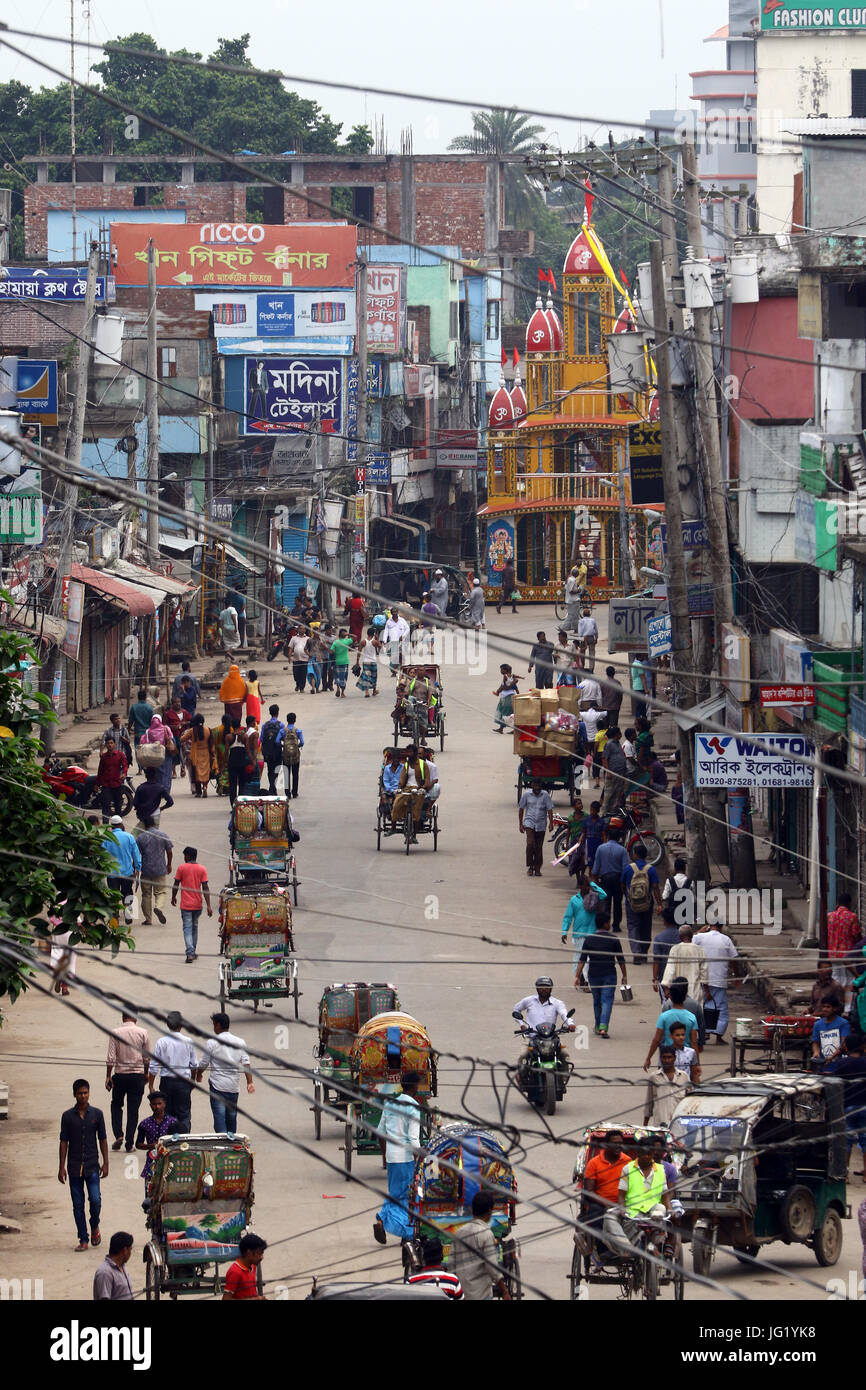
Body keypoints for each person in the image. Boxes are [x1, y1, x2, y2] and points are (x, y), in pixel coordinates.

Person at [58, 1078, 109, 1252]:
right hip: (73, 1168)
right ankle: (83, 1239)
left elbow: (102, 1138)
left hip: (92, 1165)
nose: (83, 1096)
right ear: (74, 1095)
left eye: (85, 1092)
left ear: (89, 1093)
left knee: (95, 1200)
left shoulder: (97, 1114)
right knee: (78, 1205)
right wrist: (61, 1167)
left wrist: (106, 1162)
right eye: (80, 1093)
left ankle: (94, 1225)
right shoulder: (67, 1116)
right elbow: (63, 1142)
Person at [373, 1073, 423, 1244]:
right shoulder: (414, 1107)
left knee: (396, 1193)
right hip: (405, 1158)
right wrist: (420, 1159)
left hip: (392, 1157)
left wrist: (385, 1156)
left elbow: (380, 1132)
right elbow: (413, 1139)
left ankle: (382, 1219)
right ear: (415, 1086)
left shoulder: (390, 1103)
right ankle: (406, 1233)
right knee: (406, 1196)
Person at [603, 1143, 670, 1258]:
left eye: (649, 1154)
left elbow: (665, 1195)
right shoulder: (627, 1168)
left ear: (653, 1154)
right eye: (644, 1154)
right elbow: (621, 1195)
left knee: (661, 1209)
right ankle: (625, 1247)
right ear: (638, 1154)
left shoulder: (660, 1170)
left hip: (653, 1209)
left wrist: (670, 1209)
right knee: (608, 1217)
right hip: (632, 1209)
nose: (647, 1157)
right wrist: (622, 1208)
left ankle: (655, 1243)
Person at [196, 1012, 254, 1133]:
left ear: (218, 1025)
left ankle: (222, 1144)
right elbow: (246, 1063)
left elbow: (203, 1063)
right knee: (231, 1117)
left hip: (217, 1086)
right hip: (233, 1087)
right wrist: (250, 1082)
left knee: (219, 1118)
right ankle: (232, 1144)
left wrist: (199, 1073)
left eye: (214, 1025)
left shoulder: (212, 1042)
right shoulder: (240, 1042)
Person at [449, 1191, 511, 1300]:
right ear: (489, 1211)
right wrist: (505, 1291)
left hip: (461, 1295)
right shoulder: (486, 1234)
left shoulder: (459, 1232)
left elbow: (451, 1264)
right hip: (481, 1295)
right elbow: (492, 1267)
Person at [575, 913, 628, 1037]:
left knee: (597, 1000)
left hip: (593, 975)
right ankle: (603, 1027)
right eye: (608, 922)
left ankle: (598, 1026)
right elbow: (621, 959)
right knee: (607, 1001)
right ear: (605, 924)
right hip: (609, 974)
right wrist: (624, 975)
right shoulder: (613, 939)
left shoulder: (589, 939)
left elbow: (582, 959)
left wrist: (577, 976)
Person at [105, 1010, 150, 1153]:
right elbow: (147, 1058)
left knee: (116, 1105)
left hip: (120, 1075)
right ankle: (129, 1143)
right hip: (137, 1077)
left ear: (123, 1017)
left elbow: (111, 1057)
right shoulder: (143, 1032)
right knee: (133, 1110)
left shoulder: (115, 1032)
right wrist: (146, 1073)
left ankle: (119, 1134)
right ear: (135, 1017)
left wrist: (108, 1076)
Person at [583, 1130, 630, 1266]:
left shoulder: (627, 1161)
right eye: (615, 1143)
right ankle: (604, 1251)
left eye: (620, 1144)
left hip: (623, 1202)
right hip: (601, 1203)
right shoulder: (594, 1163)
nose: (618, 1146)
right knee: (595, 1214)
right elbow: (589, 1191)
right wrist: (607, 1204)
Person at [148, 1012, 199, 1133]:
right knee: (184, 1114)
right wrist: (192, 1081)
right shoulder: (188, 1041)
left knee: (167, 1113)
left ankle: (170, 1142)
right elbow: (194, 1065)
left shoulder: (162, 1042)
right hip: (183, 1083)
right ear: (181, 1025)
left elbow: (154, 1065)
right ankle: (184, 1140)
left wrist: (151, 1084)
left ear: (167, 1024)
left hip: (167, 1082)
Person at [826, 1035, 866, 1179]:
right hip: (864, 1106)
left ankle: (845, 1174)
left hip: (847, 1105)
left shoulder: (841, 1063)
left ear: (846, 1048)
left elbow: (834, 1082)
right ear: (862, 1047)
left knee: (846, 1141)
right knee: (865, 1140)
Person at [697, 923, 739, 1044]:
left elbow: (687, 939)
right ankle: (718, 1036)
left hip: (702, 978)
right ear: (721, 927)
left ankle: (705, 1032)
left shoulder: (700, 937)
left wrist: (700, 930)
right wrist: (737, 976)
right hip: (719, 979)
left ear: (710, 925)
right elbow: (734, 959)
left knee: (703, 1006)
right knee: (720, 1009)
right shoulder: (726, 939)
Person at [644, 981, 701, 1070]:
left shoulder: (664, 1017)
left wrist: (648, 1058)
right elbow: (694, 1043)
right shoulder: (692, 1017)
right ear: (685, 997)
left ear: (671, 997)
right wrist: (697, 1064)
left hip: (667, 1056)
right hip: (686, 1058)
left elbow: (657, 1040)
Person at [622, 843, 661, 965]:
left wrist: (627, 896)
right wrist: (659, 903)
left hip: (632, 903)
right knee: (645, 927)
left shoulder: (628, 868)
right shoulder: (651, 869)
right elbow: (655, 888)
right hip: (647, 904)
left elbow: (622, 885)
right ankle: (643, 953)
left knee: (633, 927)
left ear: (636, 854)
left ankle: (636, 952)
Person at [171, 846, 212, 963]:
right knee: (194, 928)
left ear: (187, 856)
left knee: (187, 929)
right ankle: (192, 952)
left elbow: (175, 884)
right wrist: (208, 905)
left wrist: (173, 897)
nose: (184, 858)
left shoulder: (181, 868)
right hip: (197, 905)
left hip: (186, 905)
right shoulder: (202, 869)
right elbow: (205, 888)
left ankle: (190, 953)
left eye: (184, 856)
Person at [135, 1091, 180, 1188]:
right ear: (150, 1105)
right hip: (152, 1162)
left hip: (170, 1162)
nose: (157, 1106)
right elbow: (138, 1144)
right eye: (154, 1104)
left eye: (159, 1104)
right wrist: (151, 1146)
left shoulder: (174, 1122)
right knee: (149, 1191)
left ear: (164, 1104)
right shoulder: (144, 1124)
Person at [562, 873, 607, 967]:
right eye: (584, 885)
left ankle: (586, 980)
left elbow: (604, 895)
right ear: (579, 886)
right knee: (578, 958)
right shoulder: (574, 900)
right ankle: (579, 978)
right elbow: (568, 917)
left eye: (588, 885)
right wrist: (564, 932)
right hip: (578, 934)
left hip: (592, 933)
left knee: (590, 961)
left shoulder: (594, 897)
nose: (586, 888)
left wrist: (592, 884)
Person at [134, 816, 172, 926]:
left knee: (146, 894)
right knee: (161, 891)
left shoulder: (140, 837)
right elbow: (169, 851)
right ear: (154, 823)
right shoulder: (163, 835)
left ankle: (148, 919)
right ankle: (158, 907)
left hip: (146, 870)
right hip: (160, 869)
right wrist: (169, 864)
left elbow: (137, 855)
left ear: (145, 825)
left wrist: (136, 868)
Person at [590, 827, 629, 934]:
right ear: (619, 838)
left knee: (605, 902)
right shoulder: (622, 850)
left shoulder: (601, 848)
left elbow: (596, 867)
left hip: (605, 879)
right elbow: (625, 868)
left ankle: (605, 923)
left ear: (608, 837)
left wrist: (594, 881)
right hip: (618, 879)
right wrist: (624, 883)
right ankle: (616, 925)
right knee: (617, 902)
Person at [103, 816, 141, 921]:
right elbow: (136, 855)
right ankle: (128, 914)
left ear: (111, 826)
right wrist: (137, 868)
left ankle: (115, 915)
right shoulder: (129, 837)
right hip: (127, 872)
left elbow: (101, 853)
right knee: (127, 893)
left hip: (112, 872)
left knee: (114, 894)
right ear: (121, 824)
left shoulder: (106, 838)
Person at [644, 1044, 691, 1126]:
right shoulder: (654, 1077)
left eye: (669, 1057)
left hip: (679, 1125)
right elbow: (649, 1103)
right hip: (660, 1124)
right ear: (660, 1059)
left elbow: (690, 1101)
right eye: (664, 1057)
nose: (667, 1060)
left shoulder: (684, 1076)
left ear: (674, 1058)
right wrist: (645, 1125)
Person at [518, 776, 554, 877]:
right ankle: (530, 867)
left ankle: (537, 868)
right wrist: (520, 824)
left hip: (541, 824)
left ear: (540, 786)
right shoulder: (526, 795)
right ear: (532, 785)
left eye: (538, 786)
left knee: (538, 847)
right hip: (529, 823)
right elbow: (521, 809)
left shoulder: (545, 795)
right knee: (530, 844)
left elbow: (550, 809)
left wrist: (551, 823)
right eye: (535, 785)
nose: (537, 788)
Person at [391, 744, 431, 835]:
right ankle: (393, 828)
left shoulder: (423, 764)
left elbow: (428, 779)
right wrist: (399, 788)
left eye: (410, 752)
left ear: (415, 753)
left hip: (418, 789)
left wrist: (423, 788)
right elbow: (402, 777)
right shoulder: (406, 765)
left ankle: (414, 835)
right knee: (396, 804)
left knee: (416, 812)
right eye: (407, 752)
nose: (409, 754)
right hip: (407, 789)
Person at [661, 925, 709, 1001]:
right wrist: (707, 991)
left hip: (679, 992)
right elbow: (704, 972)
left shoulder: (675, 949)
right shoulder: (699, 950)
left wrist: (666, 988)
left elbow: (670, 970)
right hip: (695, 992)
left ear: (680, 936)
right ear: (692, 936)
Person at [828, 893, 862, 995]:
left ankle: (835, 1002)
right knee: (849, 978)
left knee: (836, 976)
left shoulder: (829, 916)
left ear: (838, 903)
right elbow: (856, 936)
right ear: (849, 903)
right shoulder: (852, 917)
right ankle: (847, 1006)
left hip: (833, 953)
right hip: (848, 954)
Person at [139, 714, 176, 796]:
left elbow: (144, 743)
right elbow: (172, 739)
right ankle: (165, 791)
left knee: (156, 773)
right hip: (166, 755)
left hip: (154, 756)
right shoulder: (166, 728)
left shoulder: (148, 731)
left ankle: (157, 791)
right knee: (167, 773)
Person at [223, 1233, 267, 1300]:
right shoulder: (235, 1272)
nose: (262, 1257)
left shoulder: (252, 1266)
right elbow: (226, 1298)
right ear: (249, 1253)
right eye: (259, 1253)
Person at [181, 713, 215, 798]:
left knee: (196, 773)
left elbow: (182, 739)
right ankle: (205, 787)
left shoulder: (192, 730)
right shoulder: (208, 730)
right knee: (205, 772)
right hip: (206, 753)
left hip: (195, 754)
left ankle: (199, 792)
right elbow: (212, 743)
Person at [93, 1232, 134, 1300]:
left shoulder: (122, 1265)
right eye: (130, 1249)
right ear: (125, 1251)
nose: (130, 1253)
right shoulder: (105, 1273)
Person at [96, 736, 129, 822]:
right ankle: (105, 826)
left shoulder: (120, 755)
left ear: (115, 744)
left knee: (118, 806)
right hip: (106, 784)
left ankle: (117, 825)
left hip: (117, 784)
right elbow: (100, 771)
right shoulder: (103, 757)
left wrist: (124, 773)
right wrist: (96, 783)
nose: (110, 745)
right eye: (108, 743)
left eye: (111, 743)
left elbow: (125, 765)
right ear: (106, 745)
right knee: (105, 805)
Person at [812, 996, 851, 1064]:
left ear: (835, 1008)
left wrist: (832, 1057)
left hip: (839, 1062)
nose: (825, 1009)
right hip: (823, 1062)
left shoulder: (843, 1023)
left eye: (828, 1007)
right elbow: (815, 1042)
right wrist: (816, 1052)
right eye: (823, 1007)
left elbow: (843, 1044)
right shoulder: (817, 1024)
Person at [600, 727, 628, 817]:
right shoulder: (609, 744)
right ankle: (604, 814)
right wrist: (608, 772)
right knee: (608, 794)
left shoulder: (618, 743)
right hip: (612, 773)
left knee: (617, 794)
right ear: (616, 734)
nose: (621, 734)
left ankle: (612, 813)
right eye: (619, 732)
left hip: (620, 773)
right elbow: (604, 758)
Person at [259, 704, 285, 795]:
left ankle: (271, 787)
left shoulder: (265, 725)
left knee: (270, 770)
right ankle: (272, 787)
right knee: (276, 770)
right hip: (277, 751)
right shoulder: (281, 725)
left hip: (267, 752)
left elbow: (261, 739)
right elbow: (283, 738)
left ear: (270, 713)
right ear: (277, 713)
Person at [164, 696, 191, 780]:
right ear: (172, 704)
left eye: (179, 702)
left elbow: (191, 721)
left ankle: (183, 768)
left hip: (184, 736)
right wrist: (173, 727)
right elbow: (164, 725)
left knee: (184, 753)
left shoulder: (185, 712)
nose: (178, 704)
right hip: (173, 736)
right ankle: (174, 771)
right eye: (176, 702)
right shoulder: (168, 714)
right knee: (174, 753)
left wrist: (185, 723)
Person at [127, 687, 154, 769]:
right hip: (147, 733)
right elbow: (152, 721)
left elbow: (131, 721)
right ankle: (146, 766)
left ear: (138, 697)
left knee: (138, 750)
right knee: (147, 750)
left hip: (138, 732)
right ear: (145, 697)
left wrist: (128, 730)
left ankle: (140, 768)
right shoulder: (149, 708)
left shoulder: (134, 707)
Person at [226, 719, 249, 805]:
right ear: (240, 726)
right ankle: (241, 804)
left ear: (232, 726)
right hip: (242, 763)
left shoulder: (229, 737)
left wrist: (224, 762)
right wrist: (252, 761)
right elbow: (247, 751)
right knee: (242, 785)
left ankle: (233, 805)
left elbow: (226, 751)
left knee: (233, 785)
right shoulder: (245, 736)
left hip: (232, 763)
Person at [281, 713, 304, 799]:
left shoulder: (283, 731)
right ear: (295, 720)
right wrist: (297, 746)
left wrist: (283, 746)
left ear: (287, 720)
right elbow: (302, 742)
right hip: (295, 755)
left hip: (286, 755)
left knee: (286, 773)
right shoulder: (298, 731)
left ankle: (287, 794)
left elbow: (276, 741)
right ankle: (294, 792)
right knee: (295, 773)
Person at [492, 663, 520, 733]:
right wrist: (498, 691)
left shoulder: (507, 677)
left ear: (505, 670)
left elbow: (507, 687)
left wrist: (499, 691)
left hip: (508, 697)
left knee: (507, 713)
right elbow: (502, 686)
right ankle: (501, 728)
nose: (500, 671)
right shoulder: (507, 677)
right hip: (504, 696)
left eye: (501, 669)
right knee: (503, 712)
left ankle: (515, 729)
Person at [382, 607, 410, 675]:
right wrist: (384, 640)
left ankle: (401, 671)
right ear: (391, 613)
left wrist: (403, 636)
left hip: (402, 642)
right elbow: (386, 631)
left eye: (396, 612)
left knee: (401, 657)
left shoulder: (402, 620)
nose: (394, 614)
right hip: (393, 643)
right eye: (393, 613)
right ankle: (394, 671)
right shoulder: (389, 622)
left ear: (398, 613)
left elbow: (407, 629)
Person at [356, 628, 381, 697]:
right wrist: (377, 639)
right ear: (373, 634)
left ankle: (367, 692)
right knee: (374, 676)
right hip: (373, 661)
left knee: (366, 677)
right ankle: (374, 691)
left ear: (367, 633)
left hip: (365, 661)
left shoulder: (363, 641)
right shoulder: (374, 642)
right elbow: (380, 647)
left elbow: (359, 652)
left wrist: (357, 661)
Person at [331, 627, 355, 698]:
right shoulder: (347, 641)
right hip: (345, 662)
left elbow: (331, 651)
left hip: (337, 662)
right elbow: (355, 637)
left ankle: (338, 688)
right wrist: (349, 634)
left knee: (337, 677)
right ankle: (342, 693)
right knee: (343, 678)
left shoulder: (335, 642)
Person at [577, 606, 599, 672]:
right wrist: (596, 638)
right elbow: (596, 630)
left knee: (582, 653)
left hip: (583, 638)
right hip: (591, 637)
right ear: (589, 614)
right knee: (592, 653)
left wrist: (581, 638)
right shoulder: (593, 620)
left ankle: (582, 667)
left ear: (583, 614)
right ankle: (591, 668)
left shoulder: (580, 621)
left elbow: (580, 633)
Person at [288, 628, 309, 694]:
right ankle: (298, 684)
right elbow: (291, 648)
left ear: (305, 630)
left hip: (305, 659)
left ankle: (302, 688)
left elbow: (310, 648)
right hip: (296, 659)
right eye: (300, 628)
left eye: (303, 629)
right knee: (296, 674)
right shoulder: (293, 638)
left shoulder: (308, 639)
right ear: (298, 630)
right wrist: (289, 657)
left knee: (303, 674)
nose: (302, 630)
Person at [630, 654, 648, 721]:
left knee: (638, 706)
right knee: (642, 707)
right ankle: (641, 721)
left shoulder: (633, 664)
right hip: (640, 687)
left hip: (636, 687)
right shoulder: (639, 665)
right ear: (640, 657)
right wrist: (646, 689)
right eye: (643, 656)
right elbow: (643, 678)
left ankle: (638, 720)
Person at [564, 566, 582, 631]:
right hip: (574, 600)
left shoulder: (569, 579)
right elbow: (571, 591)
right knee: (573, 615)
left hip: (569, 600)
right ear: (576, 574)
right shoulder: (573, 580)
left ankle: (575, 628)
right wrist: (578, 590)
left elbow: (566, 588)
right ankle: (564, 627)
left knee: (573, 615)